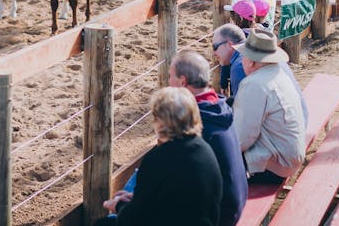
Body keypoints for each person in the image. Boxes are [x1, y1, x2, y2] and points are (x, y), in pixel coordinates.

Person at [97, 87, 222, 225]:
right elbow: (177, 198)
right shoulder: (205, 150)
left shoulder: (158, 159)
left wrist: (119, 206)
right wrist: (135, 199)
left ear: (161, 122)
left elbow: (132, 220)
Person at [168, 50, 248, 226]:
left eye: (170, 77)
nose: (168, 83)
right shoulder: (219, 106)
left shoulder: (200, 121)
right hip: (235, 201)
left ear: (182, 81)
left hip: (220, 215)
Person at [232, 29, 307, 184]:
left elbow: (241, 139)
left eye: (243, 57)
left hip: (274, 167)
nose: (242, 61)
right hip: (289, 158)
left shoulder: (254, 84)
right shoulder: (279, 74)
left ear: (251, 61)